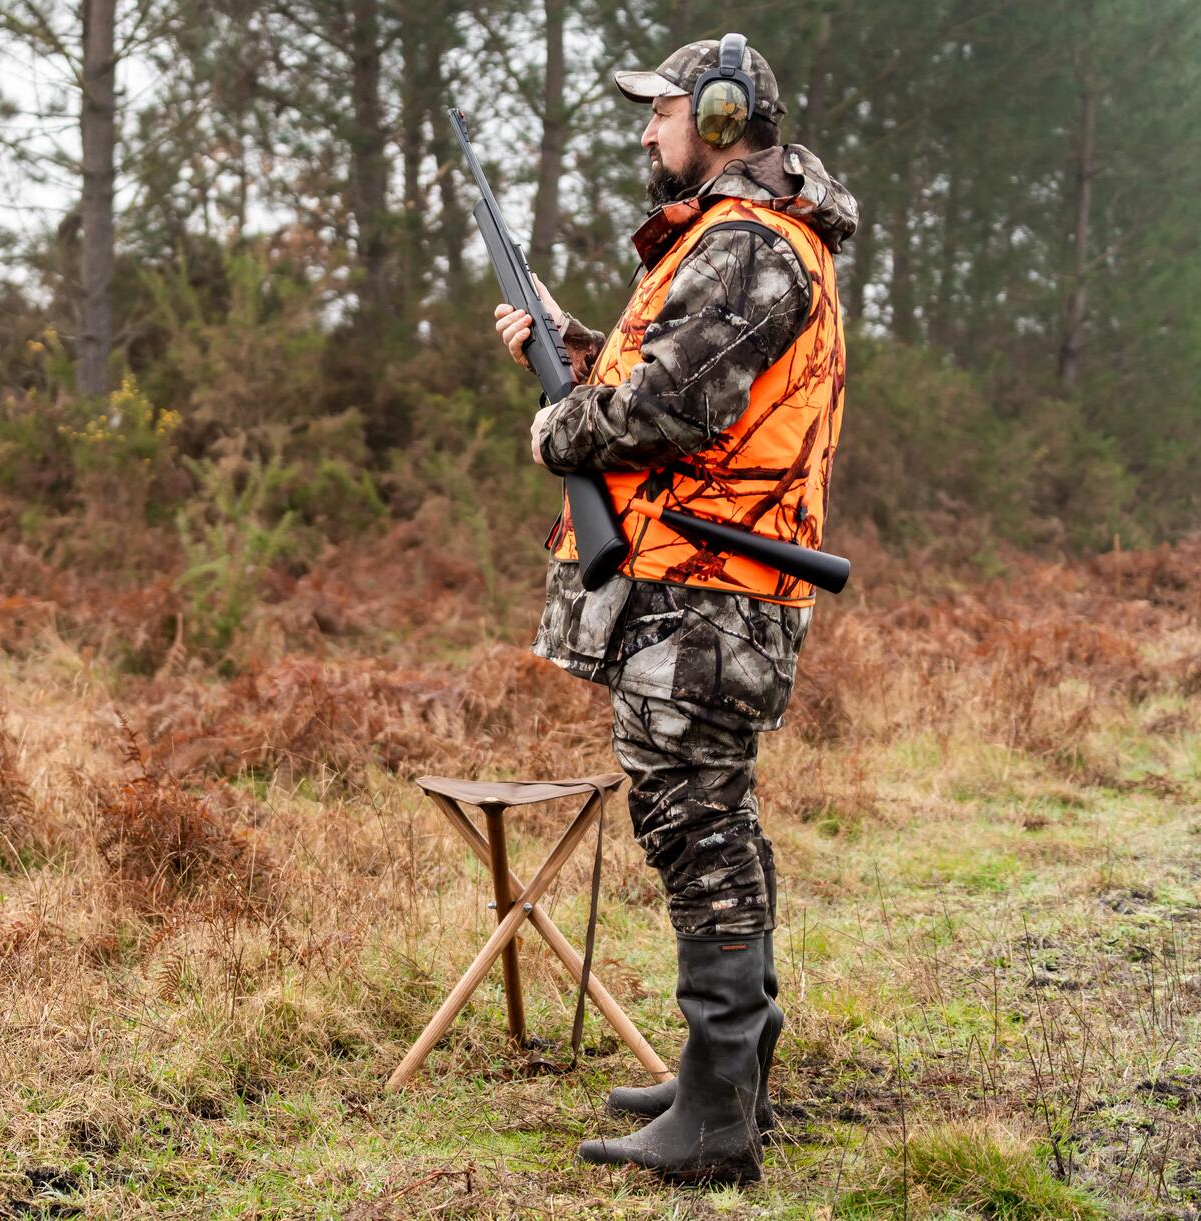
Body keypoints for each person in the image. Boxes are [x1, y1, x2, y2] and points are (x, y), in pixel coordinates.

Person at [491, 34, 858, 1185]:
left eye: (659, 113)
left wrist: (561, 424)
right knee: (706, 821)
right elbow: (687, 391)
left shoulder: (749, 244)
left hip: (709, 593)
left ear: (720, 113)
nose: (647, 132)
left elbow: (679, 414)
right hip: (701, 583)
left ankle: (715, 1117)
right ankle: (725, 1075)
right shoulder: (727, 242)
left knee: (694, 828)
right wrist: (576, 357)